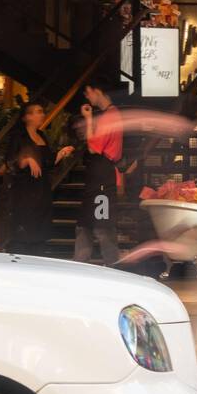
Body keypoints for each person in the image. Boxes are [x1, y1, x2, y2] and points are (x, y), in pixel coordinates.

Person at [68, 81, 123, 266]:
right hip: (100, 174)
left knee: (101, 223)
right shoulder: (110, 114)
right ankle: (81, 261)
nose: (87, 97)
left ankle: (111, 264)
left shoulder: (110, 116)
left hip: (102, 174)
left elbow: (93, 147)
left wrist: (89, 119)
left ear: (97, 90)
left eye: (88, 92)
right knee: (87, 222)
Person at [0, 100, 56, 255]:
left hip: (42, 190)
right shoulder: (19, 137)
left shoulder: (42, 135)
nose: (42, 114)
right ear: (27, 117)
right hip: (24, 192)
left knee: (40, 234)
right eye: (38, 111)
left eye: (42, 111)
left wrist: (61, 154)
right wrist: (27, 159)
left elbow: (48, 163)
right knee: (23, 234)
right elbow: (10, 162)